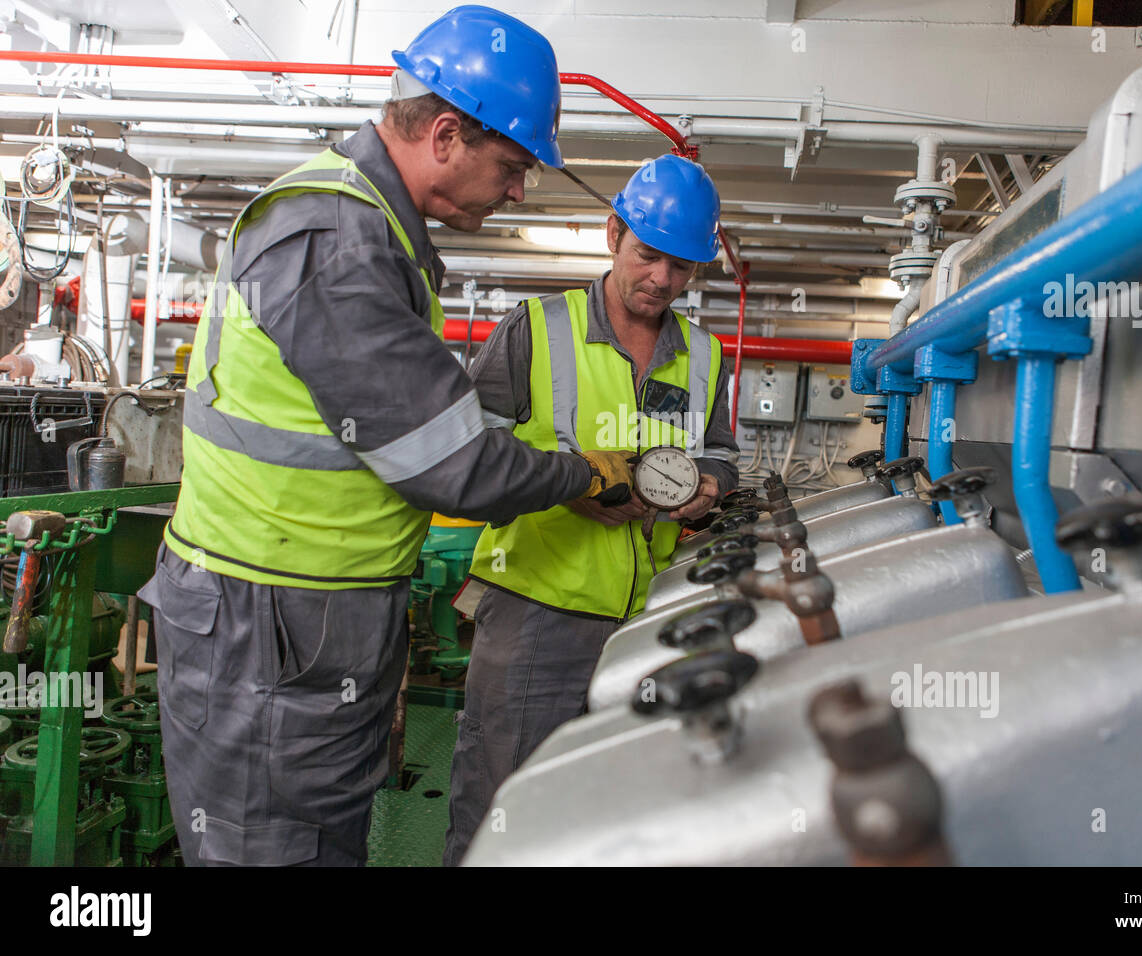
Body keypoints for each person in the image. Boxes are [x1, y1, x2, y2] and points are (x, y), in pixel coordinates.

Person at [138, 6, 635, 867]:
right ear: (446, 134)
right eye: (514, 166)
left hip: (309, 617)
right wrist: (583, 478)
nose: (518, 190)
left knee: (321, 838)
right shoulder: (335, 240)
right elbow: (451, 465)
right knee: (277, 847)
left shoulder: (371, 229)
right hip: (270, 624)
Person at [443, 154, 741, 865]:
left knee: (620, 808)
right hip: (537, 608)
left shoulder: (703, 355)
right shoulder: (536, 329)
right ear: (614, 233)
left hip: (652, 616)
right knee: (505, 801)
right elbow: (469, 452)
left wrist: (709, 485)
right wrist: (567, 484)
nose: (662, 280)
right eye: (648, 255)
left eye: (682, 267)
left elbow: (725, 453)